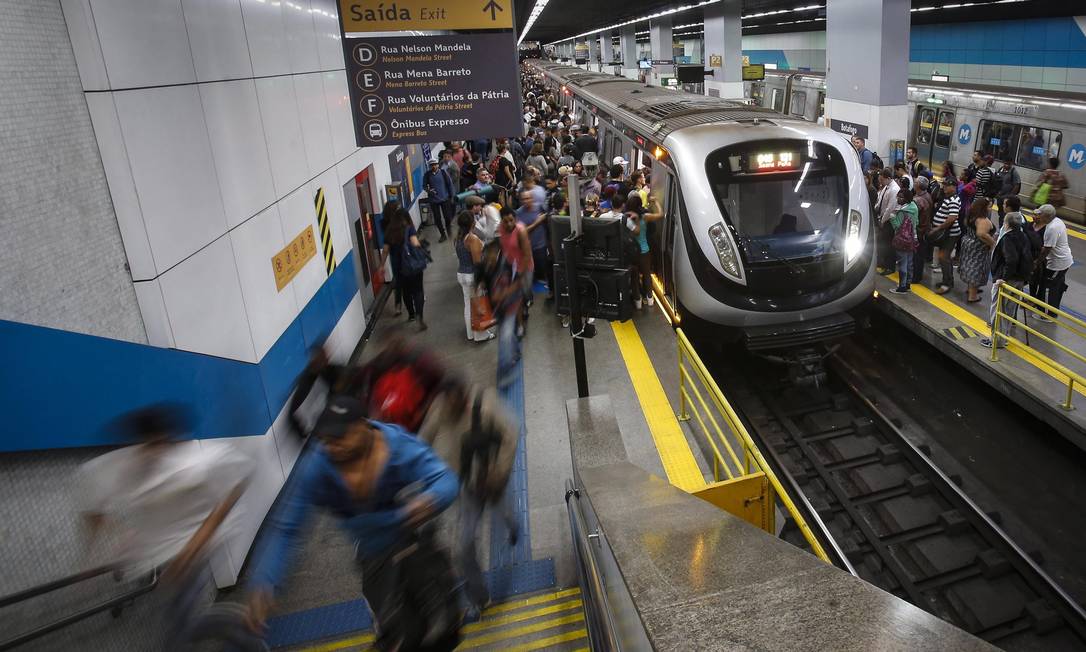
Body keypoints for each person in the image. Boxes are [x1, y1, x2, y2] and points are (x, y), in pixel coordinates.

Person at [245, 398, 461, 651]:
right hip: (373, 559)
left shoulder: (399, 448)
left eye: (340, 438)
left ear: (363, 426)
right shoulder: (317, 467)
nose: (332, 447)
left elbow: (445, 478)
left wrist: (430, 500)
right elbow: (286, 528)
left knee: (444, 627)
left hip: (412, 544)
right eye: (326, 441)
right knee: (398, 637)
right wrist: (265, 580)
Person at [80, 405, 260, 651]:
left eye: (160, 443)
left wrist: (192, 549)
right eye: (148, 445)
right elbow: (92, 503)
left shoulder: (198, 460)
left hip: (200, 546)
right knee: (180, 620)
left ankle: (242, 629)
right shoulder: (127, 466)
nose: (154, 451)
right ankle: (243, 630)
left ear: (168, 439)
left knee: (180, 627)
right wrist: (109, 543)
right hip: (165, 552)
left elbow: (236, 484)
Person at [418, 381, 518, 614]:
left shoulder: (486, 403)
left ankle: (513, 527)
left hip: (493, 482)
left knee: (505, 514)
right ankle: (480, 596)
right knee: (464, 546)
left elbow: (510, 435)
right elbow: (422, 441)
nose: (450, 410)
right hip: (467, 486)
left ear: (464, 400)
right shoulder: (440, 409)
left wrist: (500, 472)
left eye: (456, 405)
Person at [981, 211, 1034, 349]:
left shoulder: (1008, 238)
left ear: (1007, 223)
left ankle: (996, 341)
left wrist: (1002, 278)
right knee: (1009, 310)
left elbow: (1011, 260)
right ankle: (1004, 338)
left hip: (1006, 280)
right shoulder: (1024, 236)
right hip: (1019, 280)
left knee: (999, 309)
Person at [381, 208, 427, 330]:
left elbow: (385, 250)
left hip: (399, 268)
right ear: (406, 217)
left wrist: (381, 266)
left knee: (406, 291)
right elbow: (415, 243)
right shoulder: (409, 229)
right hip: (412, 266)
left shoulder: (389, 232)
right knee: (418, 291)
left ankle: (411, 314)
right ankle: (419, 316)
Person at [455, 211, 495, 343]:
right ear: (472, 222)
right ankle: (480, 335)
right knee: (478, 305)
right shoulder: (471, 238)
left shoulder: (459, 238)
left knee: (468, 305)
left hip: (462, 273)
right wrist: (482, 280)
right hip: (473, 276)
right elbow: (477, 262)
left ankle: (470, 333)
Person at [1034, 204, 1073, 320]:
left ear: (1046, 216)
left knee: (1048, 287)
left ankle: (1048, 315)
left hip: (1057, 264)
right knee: (1057, 286)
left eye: (1040, 215)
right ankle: (1053, 308)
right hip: (1064, 261)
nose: (1038, 216)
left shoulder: (1051, 228)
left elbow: (1046, 249)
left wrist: (1036, 263)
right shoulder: (1057, 221)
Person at [625, 194, 663, 308]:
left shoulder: (626, 217)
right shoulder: (645, 216)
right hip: (644, 250)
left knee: (634, 277)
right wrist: (656, 201)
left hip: (632, 252)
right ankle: (650, 299)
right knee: (647, 275)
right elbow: (661, 214)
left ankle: (638, 302)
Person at [958, 198, 996, 303]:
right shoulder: (983, 220)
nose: (990, 209)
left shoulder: (971, 215)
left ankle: (970, 288)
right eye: (989, 206)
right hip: (978, 247)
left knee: (969, 265)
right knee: (976, 269)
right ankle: (972, 296)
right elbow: (981, 234)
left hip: (968, 242)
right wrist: (992, 242)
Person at [930, 178, 962, 294]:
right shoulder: (948, 197)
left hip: (950, 234)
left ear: (953, 187)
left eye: (946, 186)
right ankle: (947, 280)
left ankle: (947, 284)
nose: (943, 187)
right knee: (943, 257)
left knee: (944, 258)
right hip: (946, 234)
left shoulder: (953, 200)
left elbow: (952, 219)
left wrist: (938, 228)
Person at [516, 190, 551, 298]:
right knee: (530, 272)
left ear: (532, 199)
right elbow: (522, 231)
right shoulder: (519, 213)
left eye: (528, 198)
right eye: (524, 199)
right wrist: (537, 222)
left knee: (544, 271)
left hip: (541, 246)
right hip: (528, 248)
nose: (526, 201)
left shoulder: (540, 208)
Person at [889, 188, 918, 294]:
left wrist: (892, 216)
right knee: (910, 263)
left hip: (902, 240)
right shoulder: (914, 207)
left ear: (907, 199)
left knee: (902, 263)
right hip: (912, 238)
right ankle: (907, 285)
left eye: (901, 197)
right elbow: (917, 222)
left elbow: (897, 225)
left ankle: (901, 287)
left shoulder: (902, 211)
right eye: (898, 196)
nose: (898, 199)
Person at [874, 169, 902, 273]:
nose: (880, 182)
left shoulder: (894, 189)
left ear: (888, 178)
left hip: (889, 220)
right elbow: (880, 199)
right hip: (882, 218)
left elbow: (890, 208)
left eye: (882, 180)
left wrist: (883, 220)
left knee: (889, 245)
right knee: (883, 243)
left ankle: (890, 267)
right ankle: (883, 263)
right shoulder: (886, 186)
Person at [423, 158, 455, 242]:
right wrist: (429, 191)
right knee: (437, 218)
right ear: (429, 166)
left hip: (445, 198)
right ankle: (442, 234)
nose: (433, 166)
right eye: (431, 165)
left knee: (447, 217)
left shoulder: (443, 173)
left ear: (438, 164)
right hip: (434, 200)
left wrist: (452, 196)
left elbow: (449, 184)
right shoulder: (427, 175)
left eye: (435, 164)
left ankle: (448, 230)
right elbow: (424, 186)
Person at [911, 180, 933, 284]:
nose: (913, 184)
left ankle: (915, 277)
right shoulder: (927, 195)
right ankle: (917, 275)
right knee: (919, 254)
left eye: (915, 183)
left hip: (919, 231)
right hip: (925, 230)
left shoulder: (918, 200)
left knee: (917, 255)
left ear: (918, 186)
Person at [994, 157, 1021, 225]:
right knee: (1000, 213)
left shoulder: (1013, 172)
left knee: (1006, 215)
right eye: (1005, 163)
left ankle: (1005, 227)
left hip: (1007, 198)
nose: (1006, 165)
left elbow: (1017, 185)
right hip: (1000, 197)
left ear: (1011, 164)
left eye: (1008, 164)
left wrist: (1010, 197)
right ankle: (1001, 227)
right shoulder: (1000, 170)